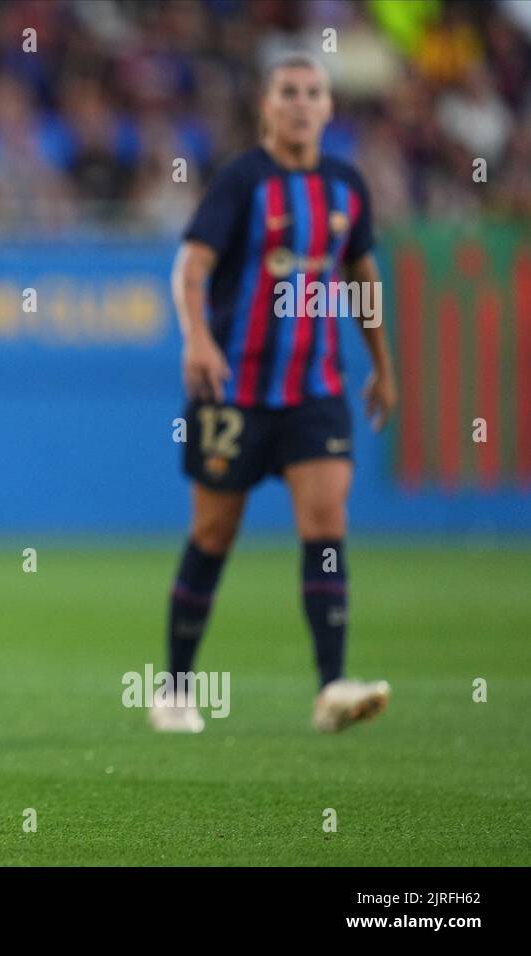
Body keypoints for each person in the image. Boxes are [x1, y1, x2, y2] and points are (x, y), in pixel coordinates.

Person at [153, 52, 396, 734]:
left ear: (328, 107)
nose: (299, 103)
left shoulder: (347, 186)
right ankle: (172, 688)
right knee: (212, 533)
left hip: (315, 390)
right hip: (232, 388)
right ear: (266, 105)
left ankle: (332, 686)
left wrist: (383, 363)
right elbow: (191, 267)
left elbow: (362, 278)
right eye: (287, 91)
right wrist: (197, 339)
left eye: (312, 92)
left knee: (325, 525)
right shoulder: (243, 182)